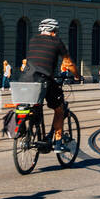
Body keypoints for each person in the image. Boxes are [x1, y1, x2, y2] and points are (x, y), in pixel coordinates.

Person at [24, 18, 73, 152]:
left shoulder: (33, 40)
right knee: (59, 109)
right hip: (44, 80)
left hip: (26, 79)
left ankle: (30, 132)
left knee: (34, 105)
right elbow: (68, 63)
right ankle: (58, 143)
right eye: (56, 31)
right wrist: (77, 76)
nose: (56, 34)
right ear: (53, 31)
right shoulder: (56, 41)